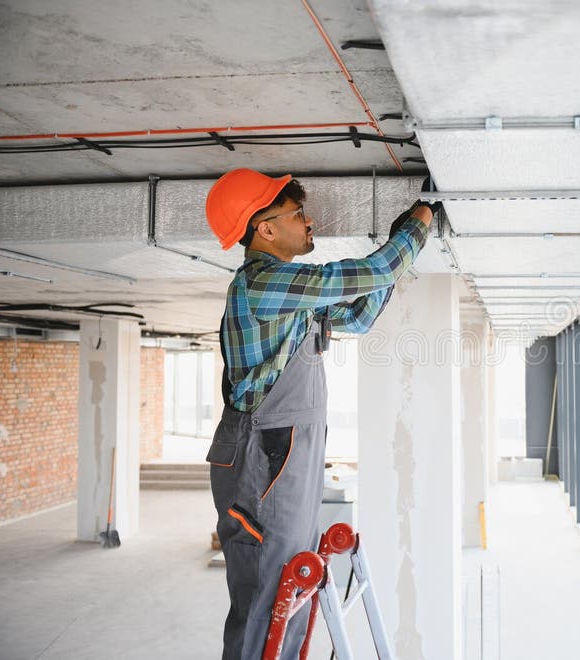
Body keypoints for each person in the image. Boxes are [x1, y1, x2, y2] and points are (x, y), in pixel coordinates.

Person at [203, 168, 434, 659]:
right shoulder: (260, 284)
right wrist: (418, 226)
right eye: (298, 214)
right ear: (266, 229)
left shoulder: (288, 298)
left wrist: (397, 245)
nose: (310, 223)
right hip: (263, 459)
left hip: (284, 455)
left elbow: (357, 315)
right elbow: (359, 275)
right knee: (267, 597)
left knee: (291, 584)